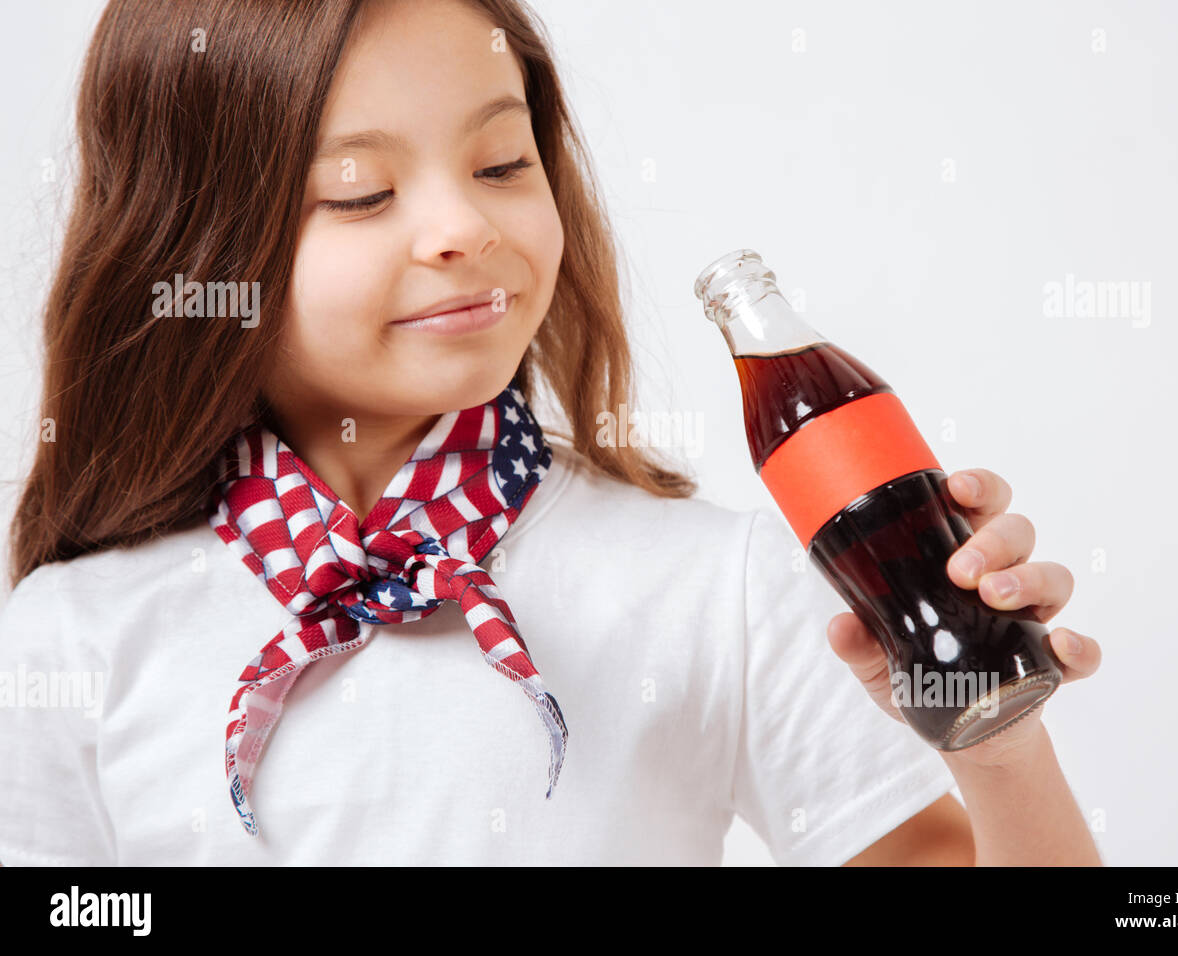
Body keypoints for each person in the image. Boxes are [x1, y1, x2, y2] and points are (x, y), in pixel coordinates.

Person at [0, 0, 1101, 866]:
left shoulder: (710, 585)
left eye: (499, 165)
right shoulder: (73, 634)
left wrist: (998, 748)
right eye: (359, 190)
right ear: (190, 245)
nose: (464, 227)